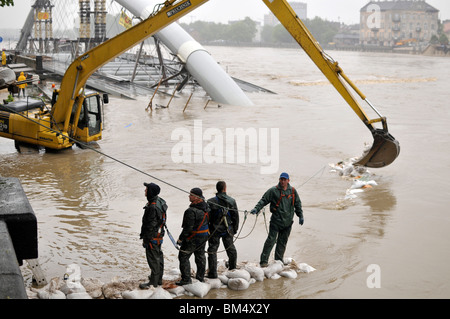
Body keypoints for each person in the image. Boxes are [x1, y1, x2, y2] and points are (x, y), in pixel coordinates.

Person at [250, 172, 303, 267]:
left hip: (288, 223)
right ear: (279, 180)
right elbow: (263, 200)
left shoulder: (293, 191)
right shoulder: (273, 191)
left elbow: (298, 204)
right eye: (281, 179)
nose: (282, 181)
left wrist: (300, 216)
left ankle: (278, 260)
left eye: (284, 179)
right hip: (276, 222)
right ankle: (263, 261)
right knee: (271, 240)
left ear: (288, 180)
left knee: (282, 242)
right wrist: (256, 208)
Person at [176, 188, 210, 285]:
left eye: (191, 195)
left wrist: (180, 239)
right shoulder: (206, 207)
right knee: (200, 256)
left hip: (193, 237)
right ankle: (200, 278)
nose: (189, 196)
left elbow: (188, 229)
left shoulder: (191, 211)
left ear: (197, 197)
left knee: (183, 256)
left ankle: (186, 280)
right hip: (204, 236)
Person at [206, 181, 239, 278]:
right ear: (225, 188)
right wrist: (235, 230)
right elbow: (235, 217)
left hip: (214, 230)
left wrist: (208, 230)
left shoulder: (210, 201)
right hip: (227, 230)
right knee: (230, 249)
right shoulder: (232, 201)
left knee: (212, 250)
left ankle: (212, 273)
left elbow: (208, 218)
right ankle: (232, 269)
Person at [139, 182, 168, 289]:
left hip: (153, 236)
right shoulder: (160, 201)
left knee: (153, 259)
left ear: (150, 192)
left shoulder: (152, 207)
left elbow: (150, 225)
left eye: (146, 189)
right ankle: (158, 279)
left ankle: (153, 282)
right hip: (159, 234)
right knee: (158, 256)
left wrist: (146, 239)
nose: (145, 191)